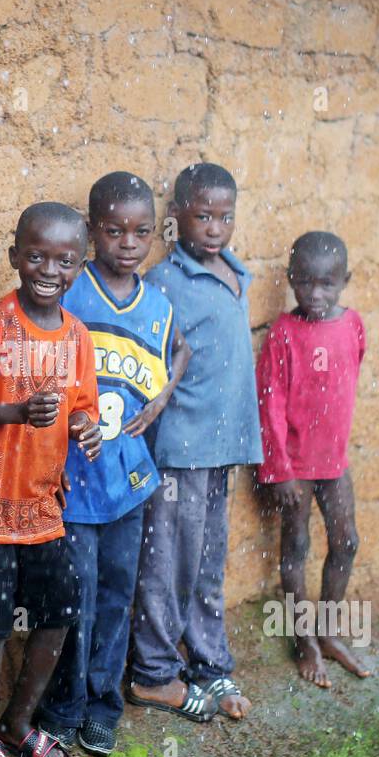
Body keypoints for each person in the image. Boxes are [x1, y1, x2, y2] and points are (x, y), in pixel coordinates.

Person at [35, 172, 191, 757]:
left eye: (142, 232)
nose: (129, 242)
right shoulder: (71, 292)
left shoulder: (157, 305)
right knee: (72, 595)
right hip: (72, 481)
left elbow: (179, 351)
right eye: (114, 230)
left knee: (116, 593)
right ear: (92, 231)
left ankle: (103, 706)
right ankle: (63, 705)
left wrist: (163, 395)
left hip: (128, 480)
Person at [0, 202, 102, 757]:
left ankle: (20, 722)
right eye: (36, 255)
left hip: (44, 509)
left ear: (80, 266)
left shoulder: (78, 338)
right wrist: (14, 412)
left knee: (62, 607)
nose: (49, 268)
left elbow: (85, 408)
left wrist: (87, 428)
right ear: (15, 255)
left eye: (65, 260)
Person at [128, 163, 260, 723]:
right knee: (166, 563)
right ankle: (154, 671)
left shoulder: (236, 273)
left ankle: (209, 661)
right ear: (175, 218)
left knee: (207, 562)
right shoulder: (164, 284)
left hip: (222, 448)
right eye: (202, 216)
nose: (214, 228)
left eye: (224, 216)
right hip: (179, 451)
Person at [257, 230, 370, 688]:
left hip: (334, 464)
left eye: (327, 284)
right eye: (305, 283)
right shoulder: (284, 334)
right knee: (296, 549)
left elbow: (350, 371)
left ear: (345, 280)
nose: (316, 294)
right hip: (296, 469)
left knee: (347, 541)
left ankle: (328, 632)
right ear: (290, 280)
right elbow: (271, 405)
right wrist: (279, 470)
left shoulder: (353, 324)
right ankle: (302, 641)